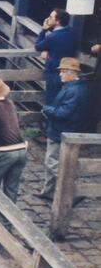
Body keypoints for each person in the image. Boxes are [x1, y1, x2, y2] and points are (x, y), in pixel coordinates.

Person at [40, 57, 88, 201]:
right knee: (52, 162)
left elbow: (63, 113)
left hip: (60, 130)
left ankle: (72, 193)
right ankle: (48, 192)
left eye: (62, 72)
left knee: (52, 163)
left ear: (71, 73)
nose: (60, 74)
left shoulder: (75, 91)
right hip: (60, 129)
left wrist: (47, 109)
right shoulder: (73, 87)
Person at [35, 9, 79, 105]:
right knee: (65, 100)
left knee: (52, 100)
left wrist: (44, 30)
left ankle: (50, 119)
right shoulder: (72, 33)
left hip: (54, 72)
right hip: (69, 71)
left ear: (57, 21)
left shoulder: (53, 36)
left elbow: (38, 46)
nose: (48, 19)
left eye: (51, 17)